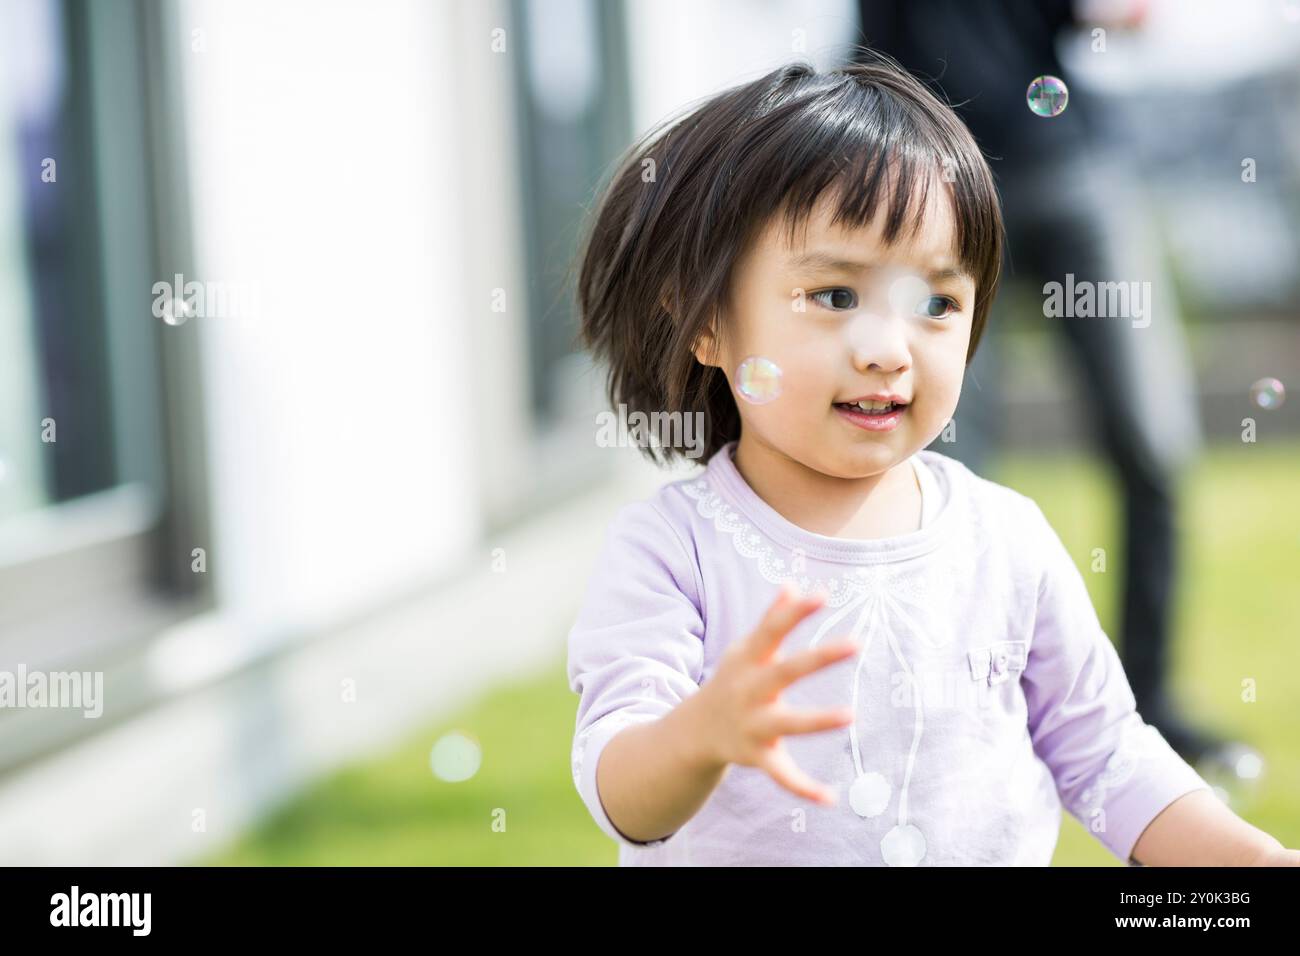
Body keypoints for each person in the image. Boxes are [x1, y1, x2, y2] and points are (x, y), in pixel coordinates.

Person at [564, 54, 1297, 865]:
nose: (887, 349)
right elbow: (621, 794)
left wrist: (1254, 862)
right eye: (835, 296)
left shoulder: (1004, 539)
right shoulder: (674, 552)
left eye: (936, 304)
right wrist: (697, 735)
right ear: (705, 324)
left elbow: (1108, 757)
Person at [854, 0, 1254, 777]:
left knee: (1153, 444)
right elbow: (870, 61)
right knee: (936, 469)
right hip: (942, 191)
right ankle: (950, 716)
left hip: (1073, 170)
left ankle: (1148, 708)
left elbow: (1111, 17)